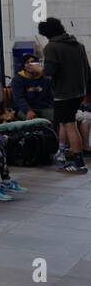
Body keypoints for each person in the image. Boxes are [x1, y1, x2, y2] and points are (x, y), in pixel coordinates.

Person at [40, 17, 91, 175]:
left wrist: (37, 69)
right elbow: (87, 69)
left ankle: (78, 163)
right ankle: (61, 154)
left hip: (64, 93)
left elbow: (49, 71)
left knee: (69, 125)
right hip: (79, 91)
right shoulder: (78, 45)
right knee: (64, 122)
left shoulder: (51, 47)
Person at [11, 55, 54, 122]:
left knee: (58, 116)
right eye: (27, 62)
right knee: (32, 121)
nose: (30, 64)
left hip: (44, 108)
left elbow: (51, 95)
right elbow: (19, 98)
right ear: (24, 66)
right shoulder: (17, 79)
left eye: (33, 62)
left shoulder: (45, 78)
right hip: (25, 109)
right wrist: (28, 110)